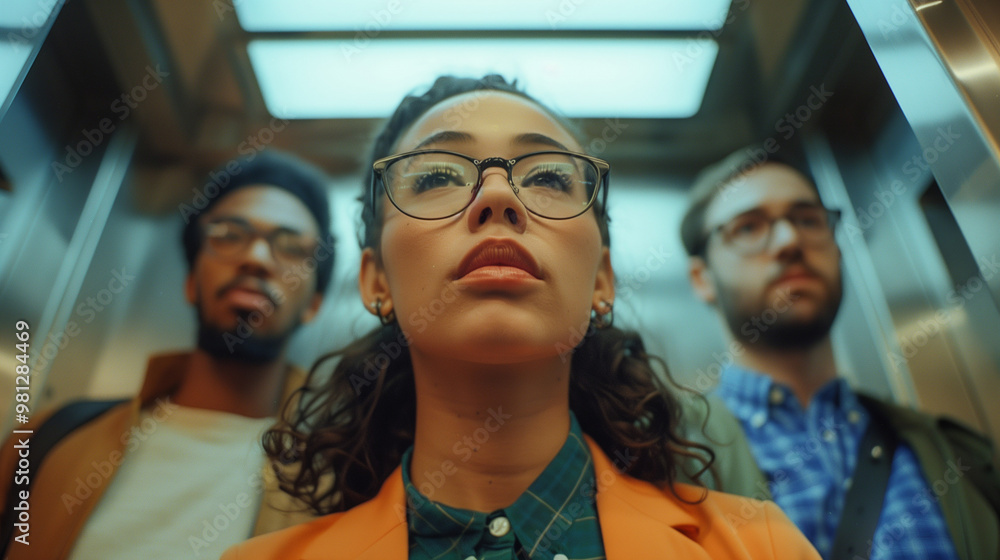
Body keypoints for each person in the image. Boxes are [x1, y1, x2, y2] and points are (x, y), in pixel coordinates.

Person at [221, 76, 818, 560]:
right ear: (376, 280)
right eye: (436, 176)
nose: (497, 197)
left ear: (602, 280)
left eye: (548, 177)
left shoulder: (762, 547)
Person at [0, 150, 335, 559]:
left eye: (291, 247)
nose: (256, 258)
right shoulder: (49, 438)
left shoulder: (331, 492)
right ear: (191, 281)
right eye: (229, 235)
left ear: (314, 303)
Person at [679, 146, 1000, 560]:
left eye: (808, 219)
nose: (790, 240)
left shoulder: (953, 454)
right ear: (701, 278)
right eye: (748, 227)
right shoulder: (668, 458)